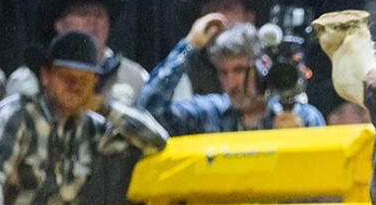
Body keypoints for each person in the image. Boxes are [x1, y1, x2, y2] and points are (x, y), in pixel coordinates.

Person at [0, 31, 168, 205]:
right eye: (66, 77)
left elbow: (156, 141)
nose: (74, 86)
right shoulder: (17, 115)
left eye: (84, 79)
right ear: (46, 76)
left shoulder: (92, 127)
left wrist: (104, 108)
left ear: (94, 83)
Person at [139, 17, 325, 132]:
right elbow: (147, 112)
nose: (231, 83)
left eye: (238, 70)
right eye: (223, 72)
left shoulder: (304, 117)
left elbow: (327, 185)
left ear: (261, 67)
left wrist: (299, 143)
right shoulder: (208, 113)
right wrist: (190, 45)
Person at [6, 0, 146, 107]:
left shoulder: (135, 77)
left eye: (99, 15)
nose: (92, 21)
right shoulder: (27, 79)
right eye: (82, 13)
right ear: (59, 24)